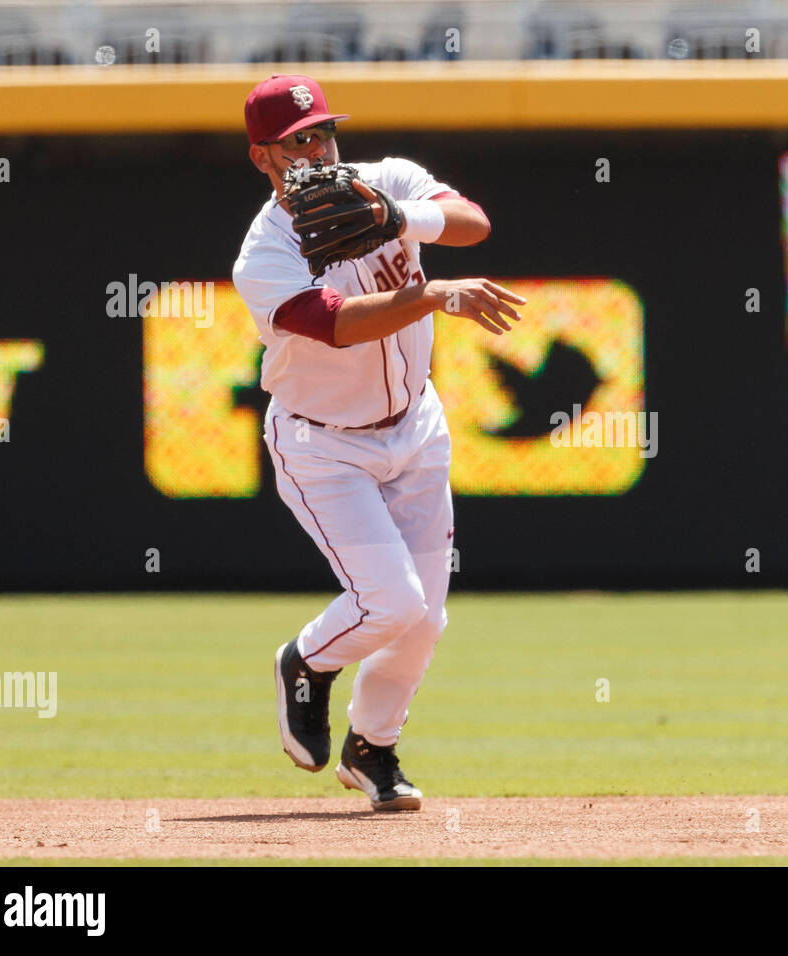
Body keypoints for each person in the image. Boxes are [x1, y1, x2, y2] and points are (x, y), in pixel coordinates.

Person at [231, 74, 525, 810]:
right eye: (295, 141)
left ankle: (373, 750)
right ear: (261, 157)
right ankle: (305, 662)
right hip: (323, 447)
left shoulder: (384, 180)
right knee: (390, 602)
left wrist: (401, 215)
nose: (315, 147)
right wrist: (429, 294)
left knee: (425, 620)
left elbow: (473, 223)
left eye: (323, 132)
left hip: (417, 428)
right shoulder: (264, 255)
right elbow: (334, 323)